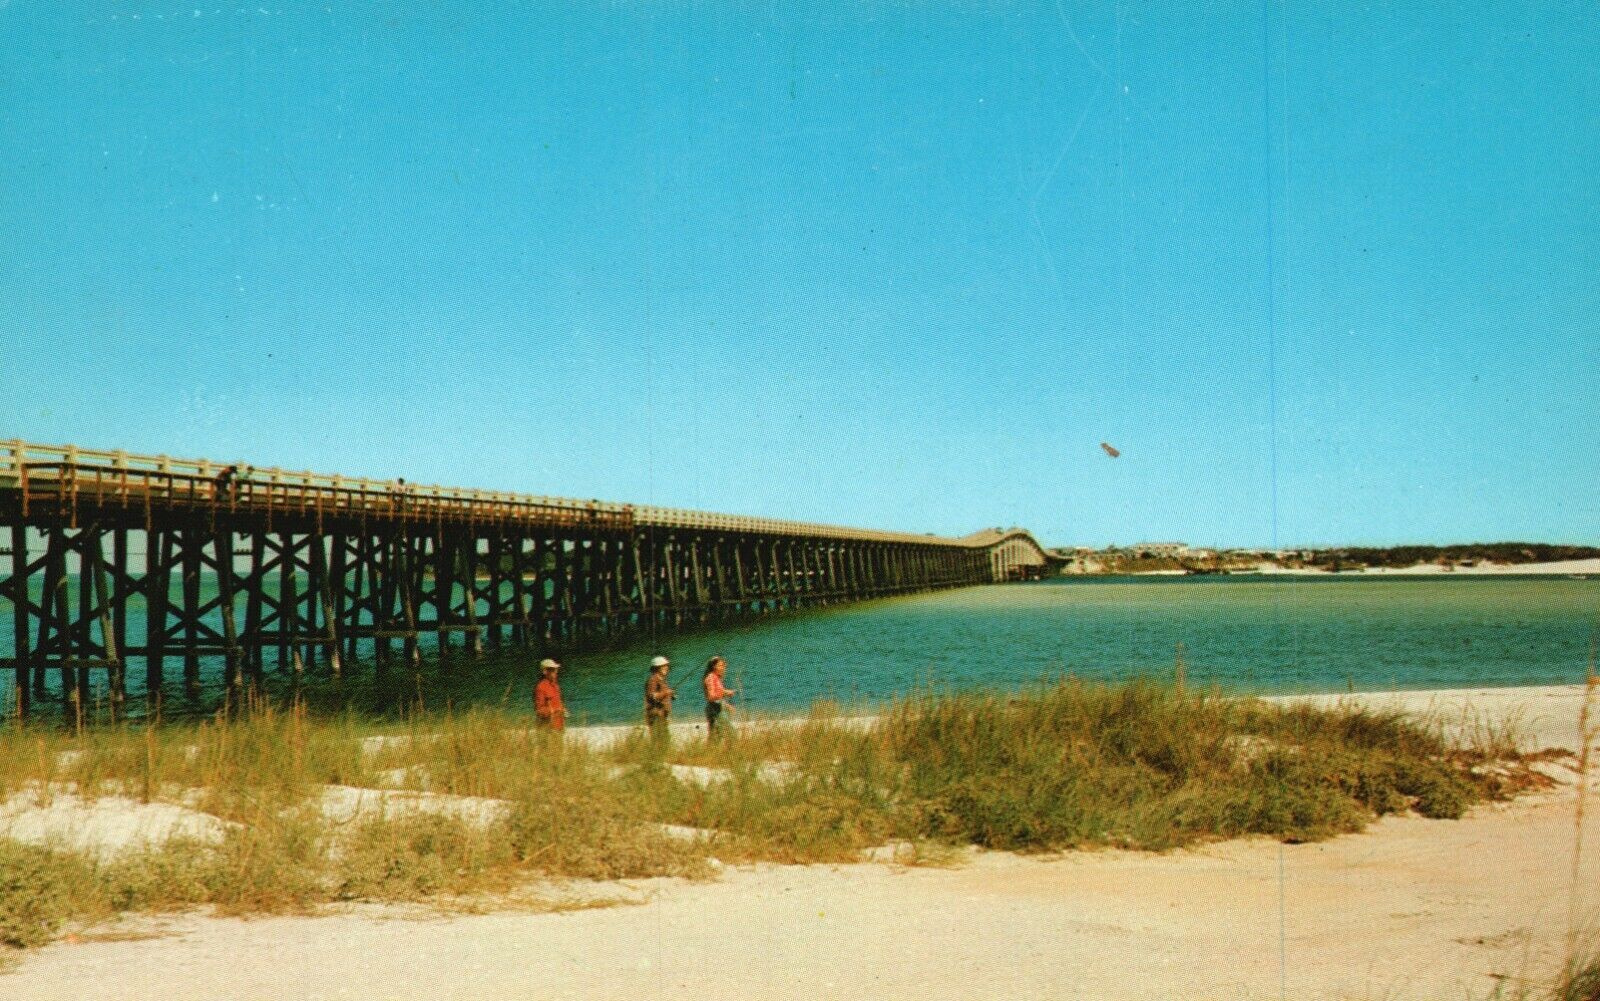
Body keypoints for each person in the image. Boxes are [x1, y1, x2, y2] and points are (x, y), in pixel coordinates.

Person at [702, 655, 736, 737]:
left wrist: (726, 705)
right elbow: (711, 696)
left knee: (716, 736)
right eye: (720, 665)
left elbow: (717, 696)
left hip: (716, 708)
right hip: (714, 710)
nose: (723, 668)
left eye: (724, 666)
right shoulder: (711, 678)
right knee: (731, 734)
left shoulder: (716, 678)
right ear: (714, 667)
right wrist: (725, 692)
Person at [645, 655, 675, 734]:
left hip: (662, 714)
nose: (667, 668)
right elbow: (652, 696)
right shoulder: (653, 680)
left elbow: (661, 694)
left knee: (664, 737)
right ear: (656, 668)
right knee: (659, 738)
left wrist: (671, 695)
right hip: (656, 714)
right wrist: (666, 693)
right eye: (663, 666)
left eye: (667, 666)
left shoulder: (661, 680)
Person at [534, 658, 565, 731]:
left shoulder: (555, 686)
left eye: (556, 669)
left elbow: (558, 702)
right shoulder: (541, 687)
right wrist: (555, 710)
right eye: (553, 670)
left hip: (559, 726)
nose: (556, 672)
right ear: (545, 671)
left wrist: (563, 709)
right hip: (547, 728)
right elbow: (539, 710)